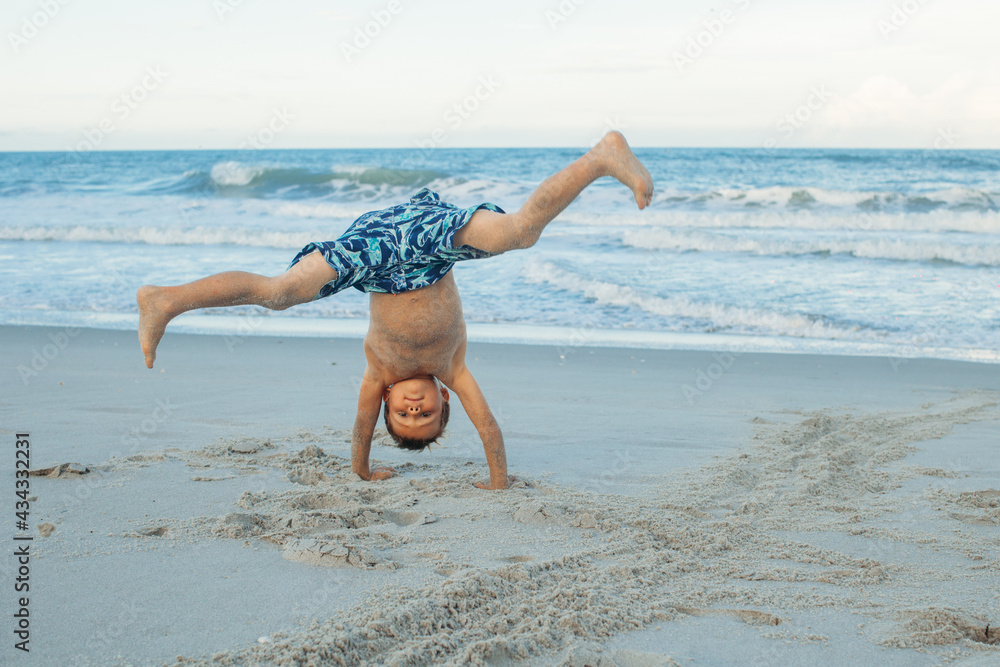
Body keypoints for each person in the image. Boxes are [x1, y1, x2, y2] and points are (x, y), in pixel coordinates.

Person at [137, 131, 654, 490]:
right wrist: (499, 482)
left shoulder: (377, 374)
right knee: (519, 233)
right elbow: (490, 429)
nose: (413, 408)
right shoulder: (454, 369)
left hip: (375, 256)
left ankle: (167, 299)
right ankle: (602, 156)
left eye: (403, 416)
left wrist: (361, 472)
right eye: (425, 414)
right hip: (432, 243)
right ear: (443, 400)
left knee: (279, 292)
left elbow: (360, 431)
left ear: (386, 401)